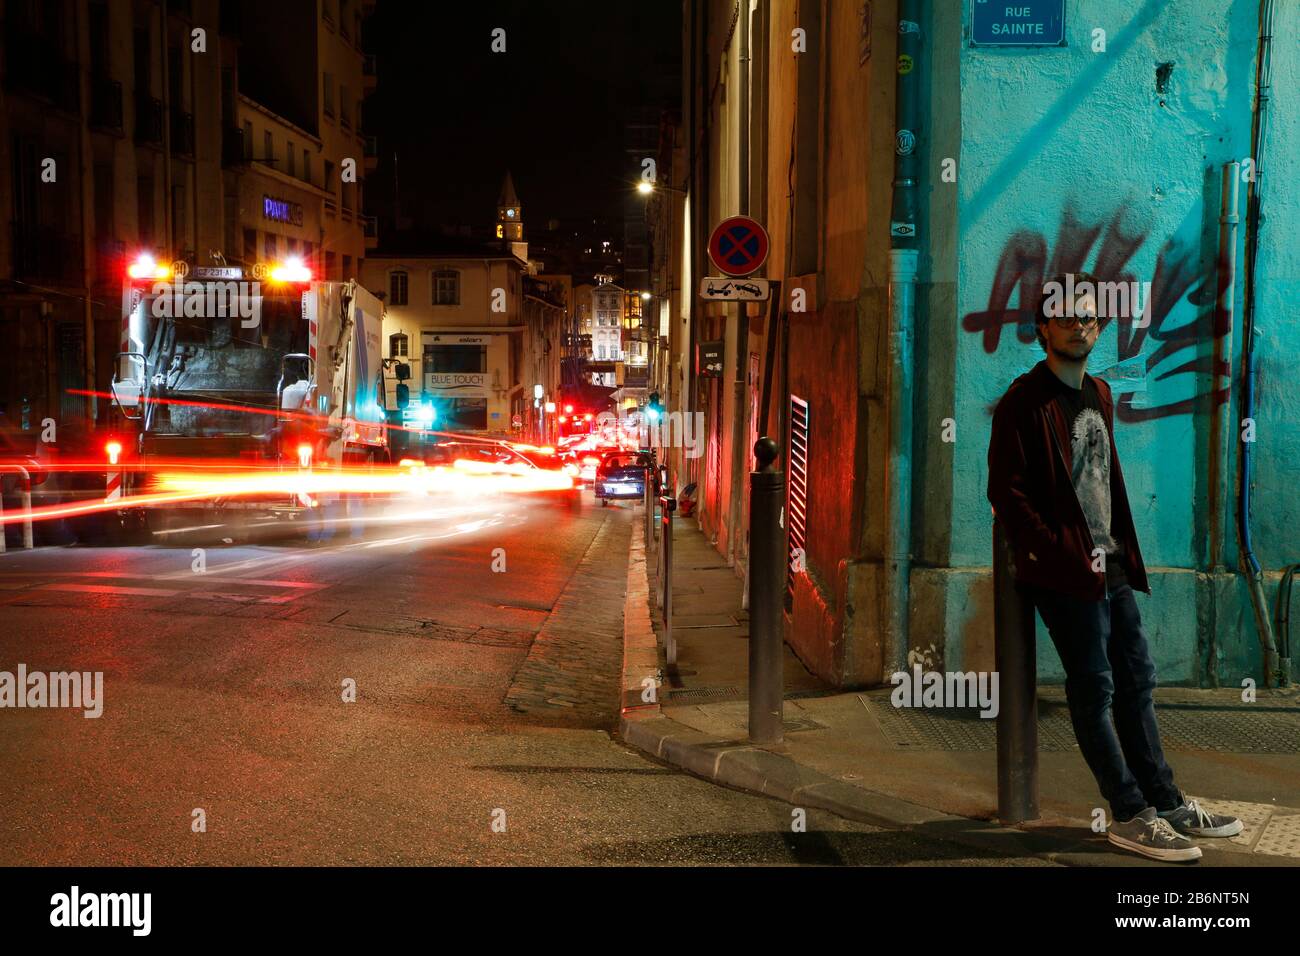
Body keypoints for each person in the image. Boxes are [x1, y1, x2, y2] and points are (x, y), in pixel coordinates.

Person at [986, 271, 1241, 862]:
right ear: (1041, 328)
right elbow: (1007, 493)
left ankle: (1165, 799)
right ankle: (1128, 813)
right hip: (1068, 572)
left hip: (1112, 567)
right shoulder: (1024, 403)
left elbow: (1101, 482)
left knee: (1137, 681)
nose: (1081, 324)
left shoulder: (1098, 393)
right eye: (1068, 317)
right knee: (1095, 688)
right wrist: (1057, 551)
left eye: (1090, 317)